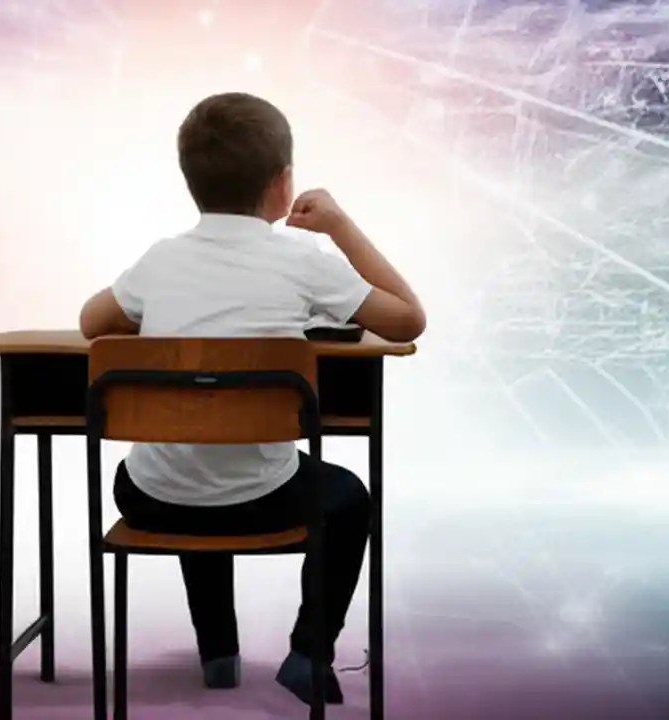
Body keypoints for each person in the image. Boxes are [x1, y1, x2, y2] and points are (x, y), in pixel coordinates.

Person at [77, 91, 425, 706]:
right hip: (260, 502)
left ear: (191, 182)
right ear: (283, 183)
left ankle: (218, 655)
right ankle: (310, 651)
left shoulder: (160, 260)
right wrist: (341, 225)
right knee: (347, 499)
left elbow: (90, 321)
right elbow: (407, 320)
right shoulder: (302, 261)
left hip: (154, 501)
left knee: (188, 457)